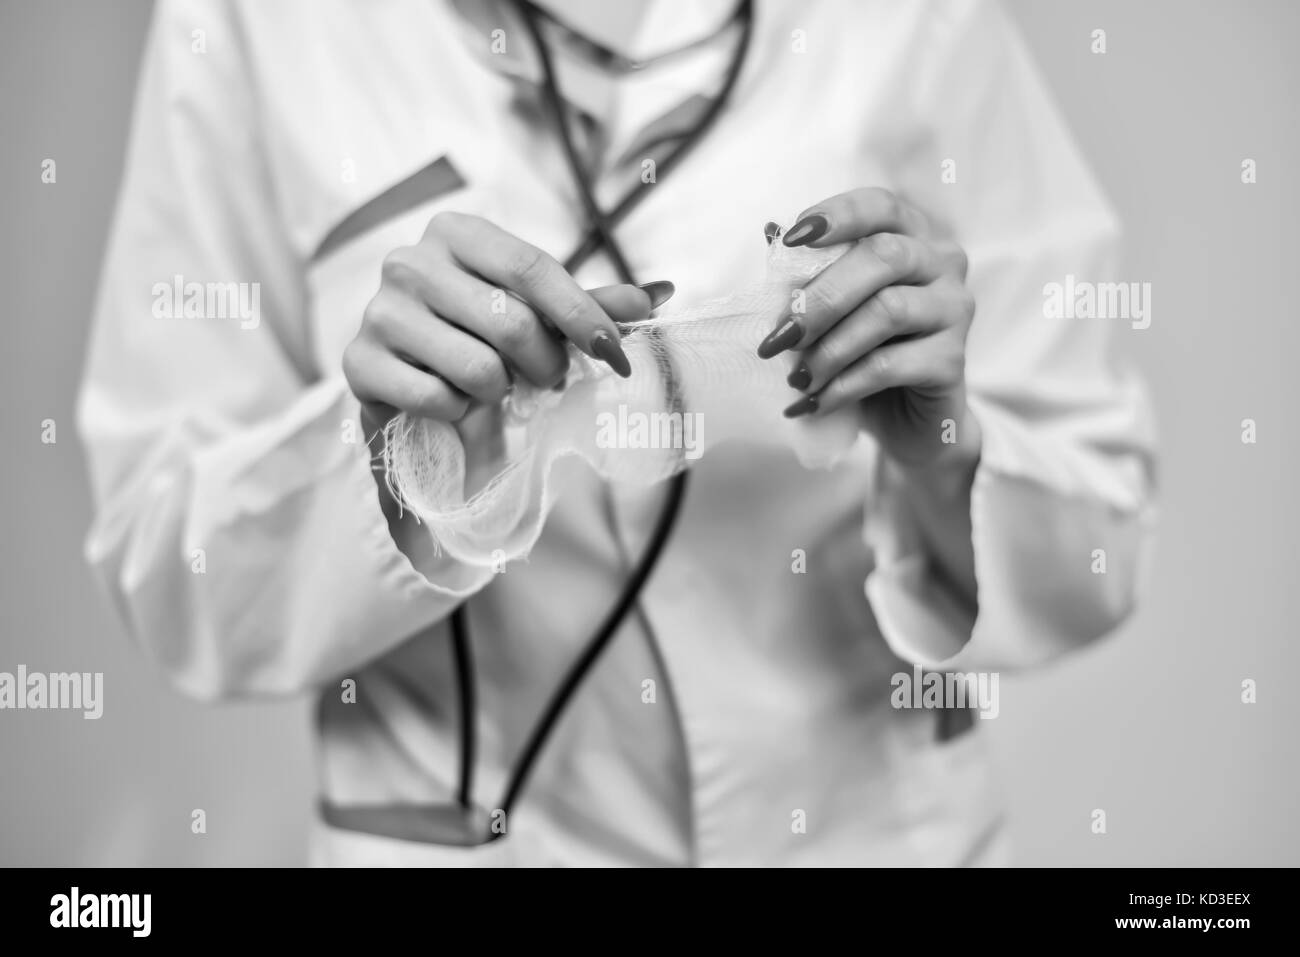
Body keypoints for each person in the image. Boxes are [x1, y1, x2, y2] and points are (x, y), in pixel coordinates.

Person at [79, 0, 1156, 866]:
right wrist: (397, 471)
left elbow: (1100, 543)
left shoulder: (918, 24)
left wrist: (941, 459)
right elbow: (165, 561)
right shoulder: (251, 29)